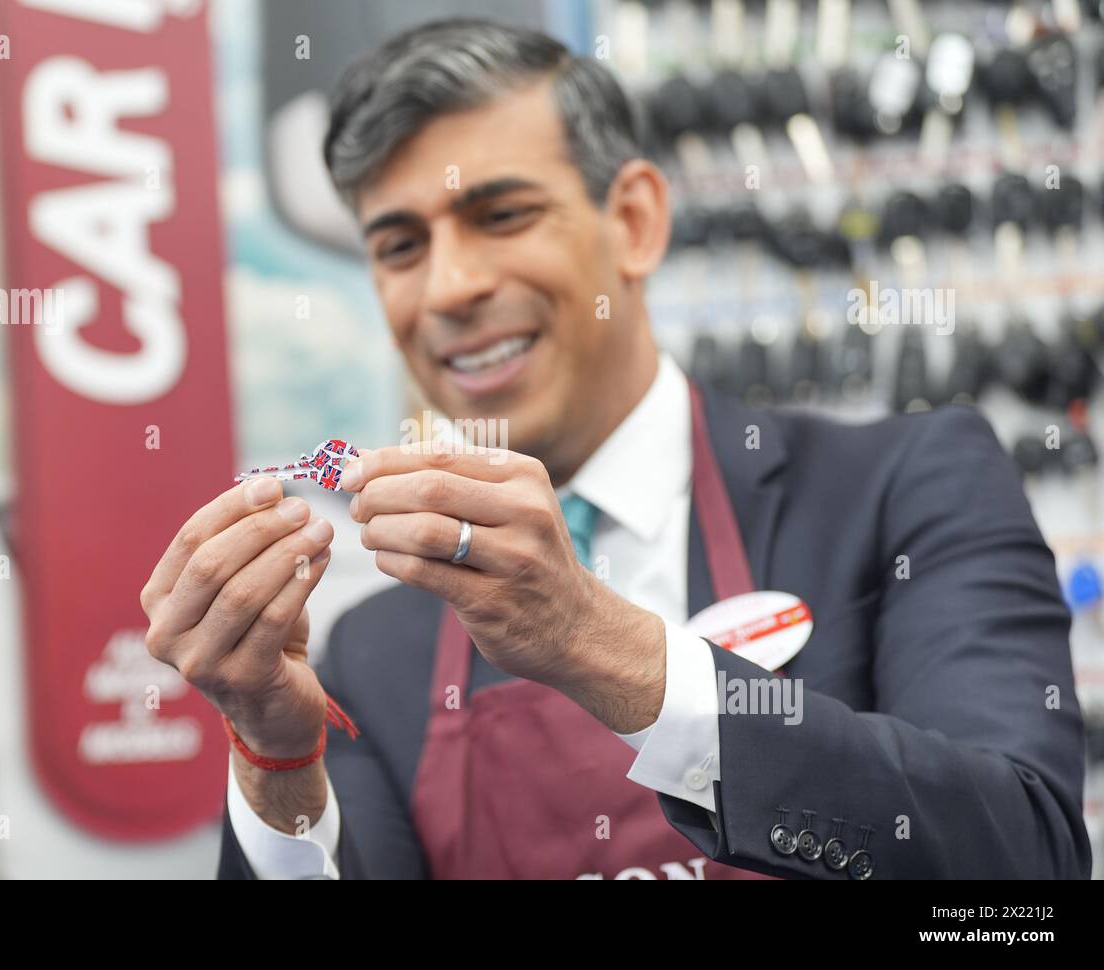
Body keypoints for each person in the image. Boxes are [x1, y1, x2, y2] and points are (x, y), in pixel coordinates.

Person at [139, 18, 1091, 879]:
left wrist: (596, 644)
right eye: (399, 245)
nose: (449, 289)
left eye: (501, 215)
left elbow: (1025, 870)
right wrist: (272, 756)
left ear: (633, 220)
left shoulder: (901, 495)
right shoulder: (374, 654)